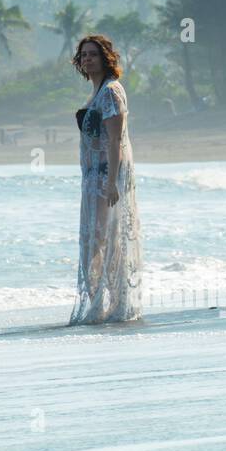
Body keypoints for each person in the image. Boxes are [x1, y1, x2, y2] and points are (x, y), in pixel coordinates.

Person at [67, 34, 143, 324]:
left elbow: (115, 142)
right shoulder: (97, 92)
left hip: (105, 178)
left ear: (106, 58)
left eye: (93, 54)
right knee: (96, 240)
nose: (87, 59)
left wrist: (111, 183)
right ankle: (104, 302)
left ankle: (109, 303)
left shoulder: (111, 91)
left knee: (101, 240)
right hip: (92, 180)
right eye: (83, 55)